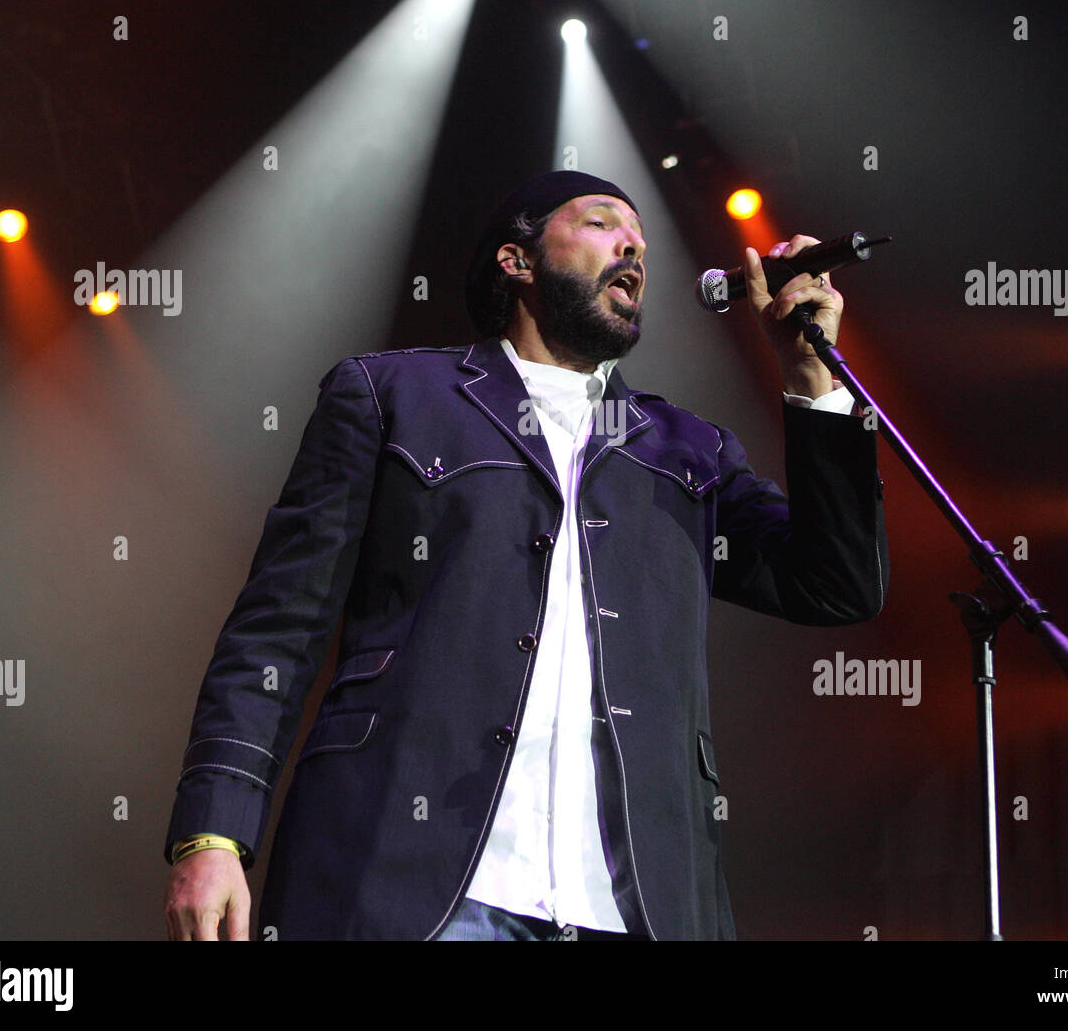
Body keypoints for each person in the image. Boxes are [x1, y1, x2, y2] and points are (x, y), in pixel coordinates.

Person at [162, 170, 888, 941]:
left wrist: (811, 377)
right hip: (413, 891)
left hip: (636, 908)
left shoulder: (689, 449)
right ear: (517, 260)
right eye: (604, 224)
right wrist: (213, 832)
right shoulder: (392, 396)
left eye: (639, 239)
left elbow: (836, 584)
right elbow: (276, 630)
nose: (633, 245)